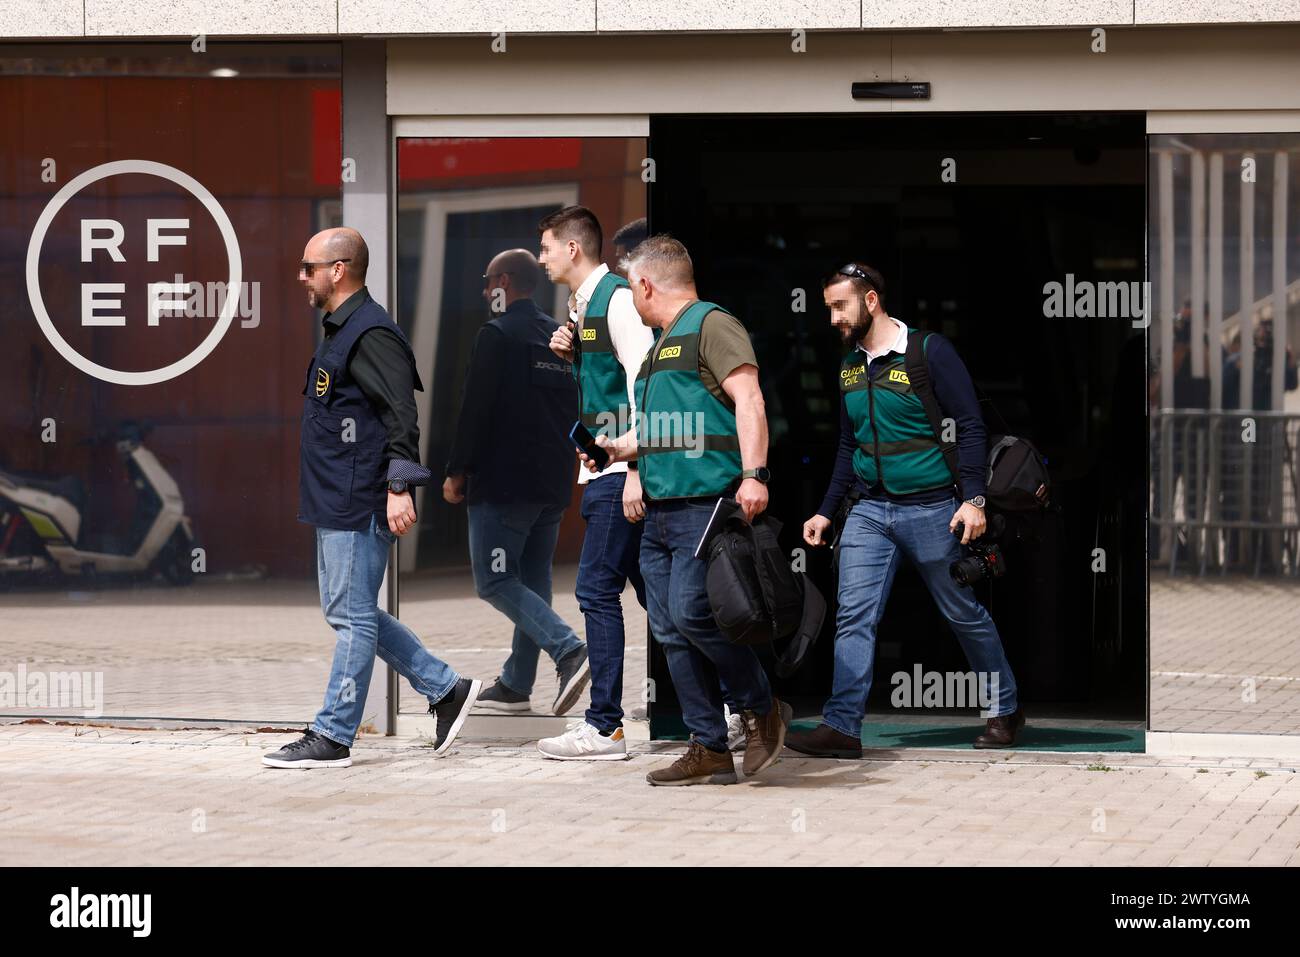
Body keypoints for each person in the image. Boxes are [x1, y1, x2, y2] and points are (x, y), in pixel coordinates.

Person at [786, 263, 1023, 759]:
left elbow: (972, 426)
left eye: (839, 306)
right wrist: (827, 511)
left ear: (870, 301)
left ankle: (1003, 709)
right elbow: (848, 445)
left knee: (961, 612)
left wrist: (974, 499)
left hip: (936, 508)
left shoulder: (928, 351)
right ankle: (843, 728)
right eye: (828, 307)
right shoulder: (850, 365)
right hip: (870, 512)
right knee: (854, 616)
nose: (832, 318)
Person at [264, 227, 478, 769]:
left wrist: (399, 487)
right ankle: (447, 689)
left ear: (338, 270)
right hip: (336, 494)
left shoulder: (371, 332)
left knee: (353, 617)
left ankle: (333, 735)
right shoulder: (342, 330)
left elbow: (401, 415)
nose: (301, 276)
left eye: (308, 266)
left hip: (359, 496)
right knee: (349, 610)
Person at [585, 235, 788, 786]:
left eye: (631, 288)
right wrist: (615, 451)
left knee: (695, 613)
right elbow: (663, 432)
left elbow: (750, 399)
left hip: (707, 504)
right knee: (671, 627)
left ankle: (761, 704)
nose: (633, 297)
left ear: (646, 284)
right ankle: (709, 747)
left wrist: (754, 474)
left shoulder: (711, 324)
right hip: (660, 510)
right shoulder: (657, 348)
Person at [443, 249, 592, 717]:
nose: (487, 292)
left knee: (493, 580)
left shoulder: (497, 334)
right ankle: (516, 684)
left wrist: (456, 470)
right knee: (533, 580)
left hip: (504, 485)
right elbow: (576, 407)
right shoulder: (557, 336)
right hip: (550, 483)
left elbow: (475, 409)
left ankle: (568, 649)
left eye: (489, 283)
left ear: (505, 281)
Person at [534, 207, 655, 760]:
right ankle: (738, 706)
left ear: (574, 250)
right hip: (606, 469)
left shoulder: (620, 299)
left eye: (547, 248)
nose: (541, 258)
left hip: (621, 472)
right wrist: (574, 349)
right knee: (664, 598)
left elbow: (644, 382)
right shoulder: (585, 306)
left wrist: (633, 470)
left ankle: (605, 726)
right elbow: (607, 377)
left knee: (595, 593)